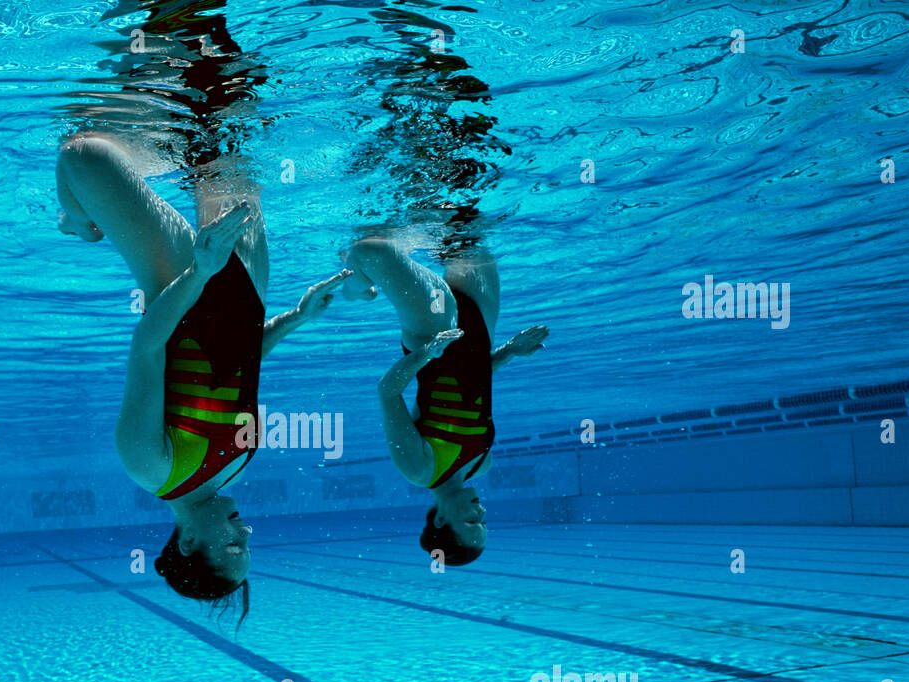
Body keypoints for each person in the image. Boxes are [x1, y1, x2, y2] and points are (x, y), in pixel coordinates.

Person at [58, 133, 348, 620]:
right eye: (247, 546)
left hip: (183, 275)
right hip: (250, 284)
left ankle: (76, 218)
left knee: (83, 156)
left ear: (190, 541)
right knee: (223, 130)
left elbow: (147, 347)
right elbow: (239, 363)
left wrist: (199, 271)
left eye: (234, 547)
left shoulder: (150, 465)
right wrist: (298, 317)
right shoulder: (239, 465)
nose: (247, 533)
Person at [342, 237, 547, 565]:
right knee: (467, 230)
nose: (480, 511)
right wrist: (509, 352)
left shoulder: (419, 469)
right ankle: (363, 278)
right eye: (483, 520)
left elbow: (387, 391)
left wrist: (427, 352)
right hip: (481, 332)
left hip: (431, 331)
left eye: (470, 521)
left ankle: (353, 287)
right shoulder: (483, 462)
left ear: (440, 519)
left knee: (371, 251)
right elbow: (471, 387)